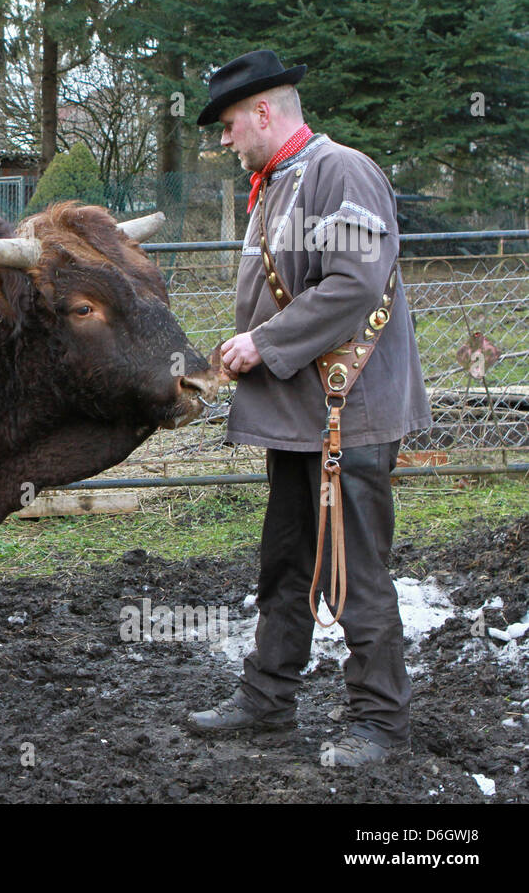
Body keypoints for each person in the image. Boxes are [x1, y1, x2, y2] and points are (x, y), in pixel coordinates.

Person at [187, 50, 432, 766]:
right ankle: (267, 699)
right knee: (287, 563)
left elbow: (355, 282)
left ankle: (382, 723)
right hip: (301, 417)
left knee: (351, 571)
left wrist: (263, 342)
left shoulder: (340, 171)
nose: (226, 141)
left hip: (345, 418)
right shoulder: (280, 182)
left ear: (265, 111)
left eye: (230, 125)